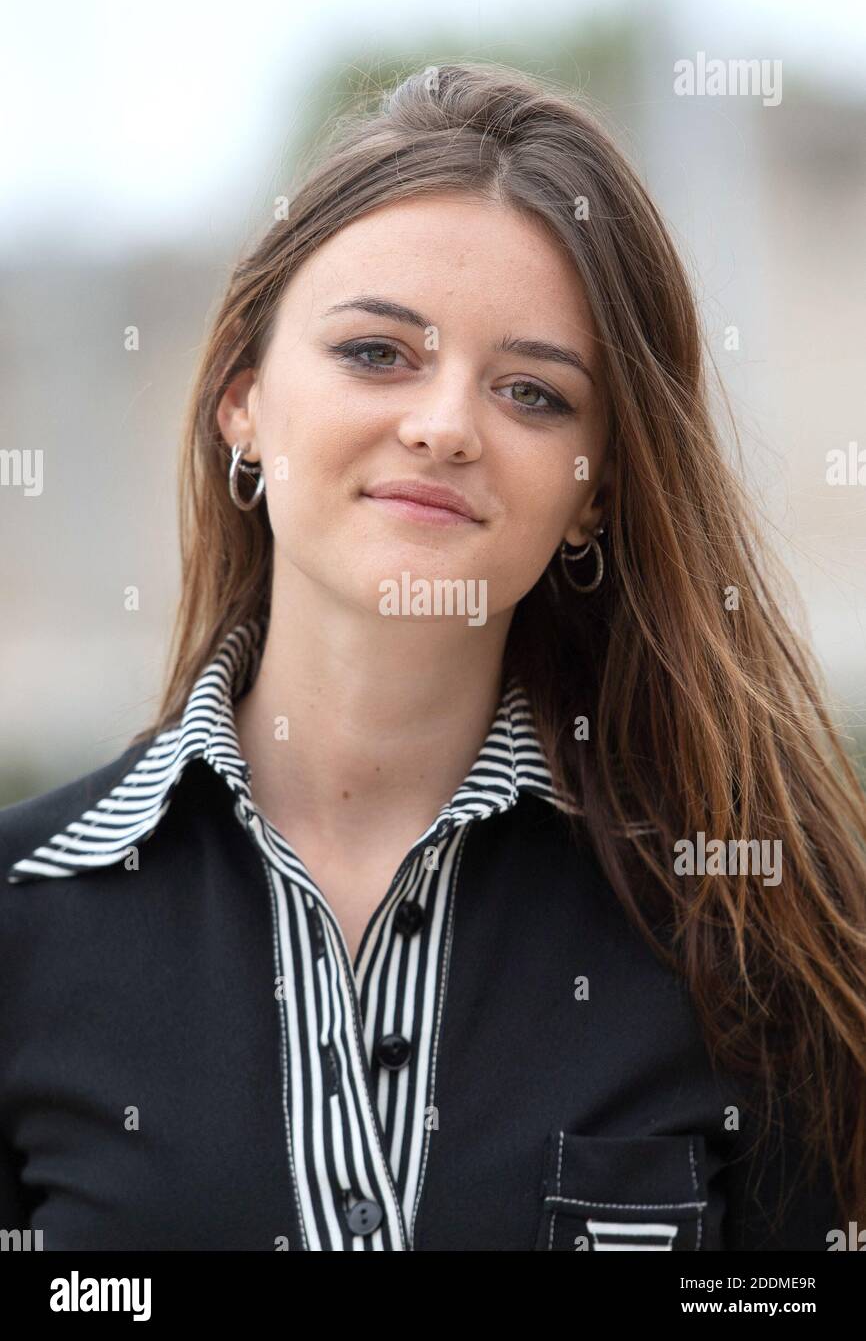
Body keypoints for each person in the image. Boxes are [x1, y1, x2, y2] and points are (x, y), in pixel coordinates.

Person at [1, 61, 864, 1252]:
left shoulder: (744, 925)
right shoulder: (24, 914)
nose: (446, 425)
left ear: (593, 491)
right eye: (376, 352)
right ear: (241, 402)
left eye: (532, 392)